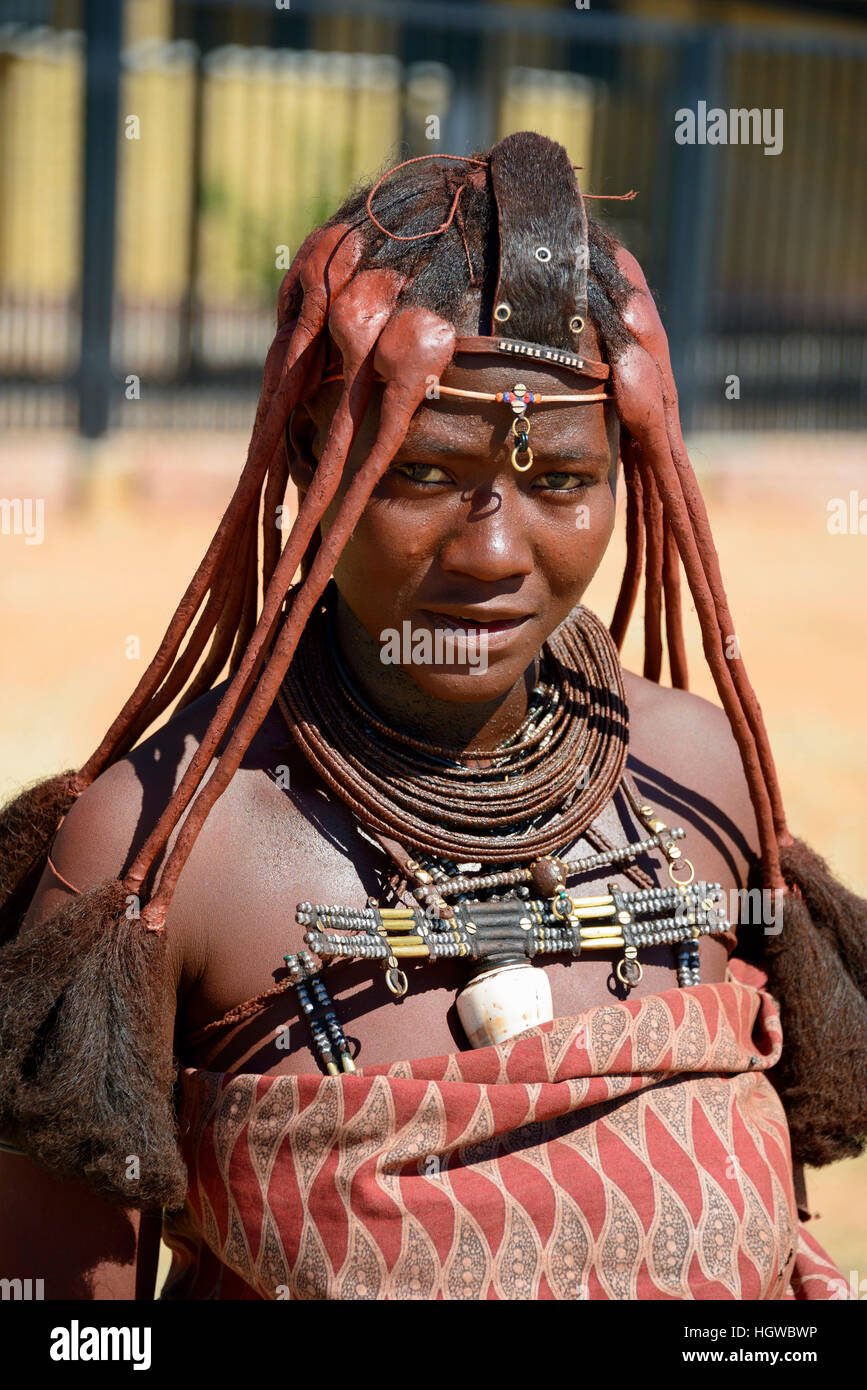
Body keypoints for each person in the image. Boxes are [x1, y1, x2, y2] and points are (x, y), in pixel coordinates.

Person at [0, 131, 863, 1301]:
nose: (495, 553)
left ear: (629, 470)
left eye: (560, 480)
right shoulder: (161, 858)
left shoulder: (703, 784)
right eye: (420, 473)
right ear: (315, 456)